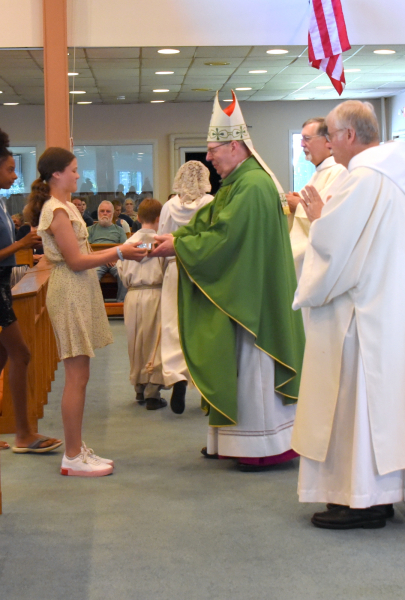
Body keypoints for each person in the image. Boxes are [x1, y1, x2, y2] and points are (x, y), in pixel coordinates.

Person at [292, 101, 405, 529]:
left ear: (349, 136)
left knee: (356, 407)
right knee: (374, 407)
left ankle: (361, 499)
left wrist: (318, 220)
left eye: (330, 135)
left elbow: (336, 250)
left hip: (360, 317)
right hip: (383, 310)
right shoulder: (388, 172)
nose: (328, 143)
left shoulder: (362, 178)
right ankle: (375, 495)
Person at [151, 92, 305, 472]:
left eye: (213, 150)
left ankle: (261, 446)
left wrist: (178, 246)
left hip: (253, 303)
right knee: (238, 368)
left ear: (235, 146)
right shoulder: (240, 182)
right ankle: (233, 441)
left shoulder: (252, 186)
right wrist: (179, 239)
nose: (208, 158)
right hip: (246, 293)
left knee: (254, 373)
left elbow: (226, 240)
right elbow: (211, 224)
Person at [25, 146, 146, 477]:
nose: (79, 175)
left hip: (78, 288)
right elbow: (76, 260)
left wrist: (120, 250)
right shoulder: (55, 210)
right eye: (74, 170)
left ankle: (77, 448)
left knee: (82, 374)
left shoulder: (66, 206)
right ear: (57, 174)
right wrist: (119, 252)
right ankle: (72, 456)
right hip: (69, 290)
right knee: (76, 376)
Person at [0, 125, 61, 453]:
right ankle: (23, 433)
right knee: (21, 354)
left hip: (0, 283)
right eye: (9, 169)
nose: (15, 174)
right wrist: (20, 244)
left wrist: (22, 243)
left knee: (1, 360)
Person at [157, 161, 214, 414]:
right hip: (202, 270)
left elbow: (161, 240)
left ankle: (176, 375)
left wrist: (165, 271)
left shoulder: (169, 206)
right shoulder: (210, 203)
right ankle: (206, 385)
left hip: (175, 268)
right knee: (202, 325)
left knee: (173, 324)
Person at [116, 199, 168, 410]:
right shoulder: (161, 242)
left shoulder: (127, 243)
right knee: (155, 341)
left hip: (132, 295)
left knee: (135, 341)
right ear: (159, 219)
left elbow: (121, 270)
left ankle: (139, 387)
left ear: (137, 217)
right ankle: (153, 392)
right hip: (156, 292)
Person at [285, 117, 348, 279]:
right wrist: (298, 202)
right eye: (301, 139)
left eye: (307, 139)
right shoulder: (320, 171)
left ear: (328, 141)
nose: (302, 144)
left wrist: (298, 205)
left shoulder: (339, 172)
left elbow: (330, 219)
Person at [88, 201, 127, 302]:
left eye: (108, 211)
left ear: (112, 214)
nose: (105, 213)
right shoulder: (90, 230)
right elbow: (87, 250)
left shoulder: (119, 230)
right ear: (98, 213)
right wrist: (104, 258)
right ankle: (97, 305)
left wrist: (113, 258)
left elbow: (125, 249)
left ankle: (121, 304)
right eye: (102, 211)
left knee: (124, 275)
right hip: (96, 261)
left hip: (115, 261)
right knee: (92, 276)